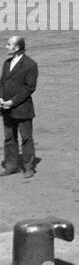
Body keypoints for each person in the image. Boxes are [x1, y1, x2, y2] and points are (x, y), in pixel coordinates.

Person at [1, 36, 38, 179]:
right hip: (6, 109)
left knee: (26, 138)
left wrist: (12, 101)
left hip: (22, 108)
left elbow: (30, 88)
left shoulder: (30, 65)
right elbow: (2, 83)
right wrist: (1, 98)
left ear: (17, 48)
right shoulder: (6, 63)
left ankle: (29, 168)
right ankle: (11, 166)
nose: (6, 47)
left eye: (9, 45)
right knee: (9, 138)